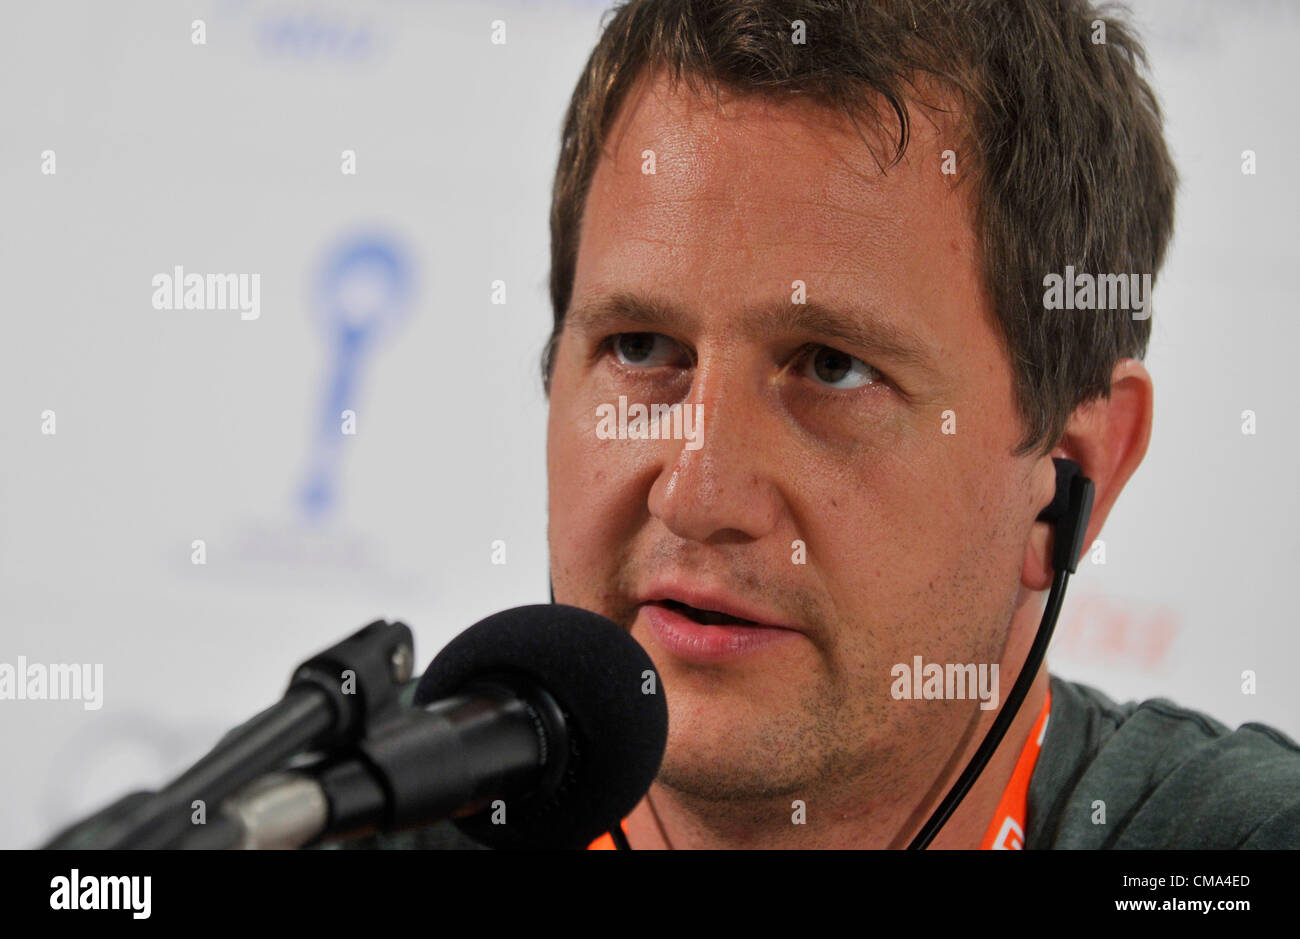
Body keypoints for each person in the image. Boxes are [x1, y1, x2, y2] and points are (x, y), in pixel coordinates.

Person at [348, 0, 1300, 850]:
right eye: (641, 346)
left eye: (833, 368)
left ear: (1072, 474)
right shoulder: (339, 820)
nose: (698, 491)